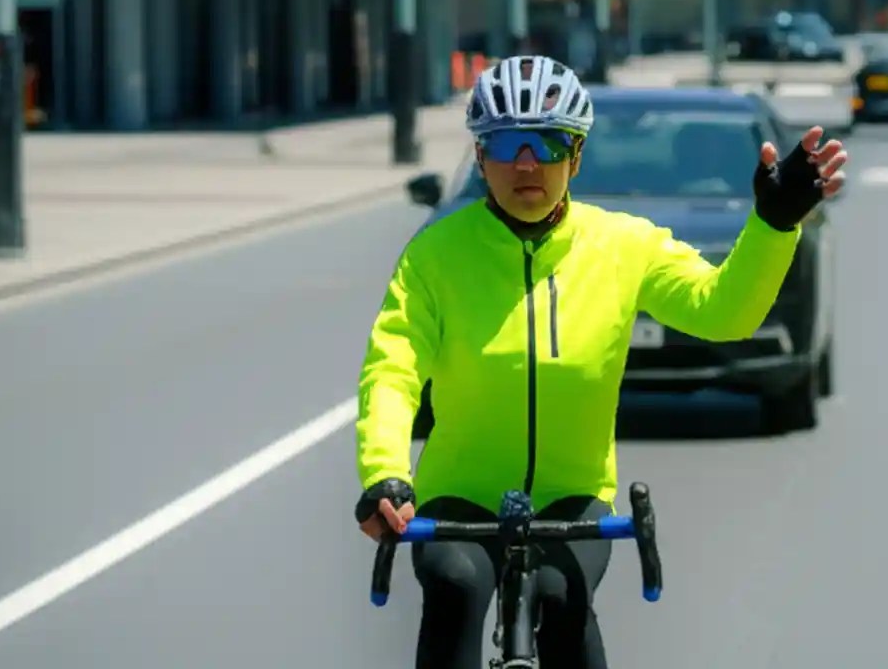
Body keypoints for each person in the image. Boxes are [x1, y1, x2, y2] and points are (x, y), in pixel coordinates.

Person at [353, 55, 847, 669]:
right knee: (456, 585)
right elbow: (393, 369)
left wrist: (773, 225)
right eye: (505, 144)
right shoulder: (436, 255)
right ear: (479, 156)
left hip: (573, 495)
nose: (526, 163)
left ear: (576, 156)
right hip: (458, 495)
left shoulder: (623, 245)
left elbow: (723, 312)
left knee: (562, 596)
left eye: (549, 143)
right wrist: (385, 474)